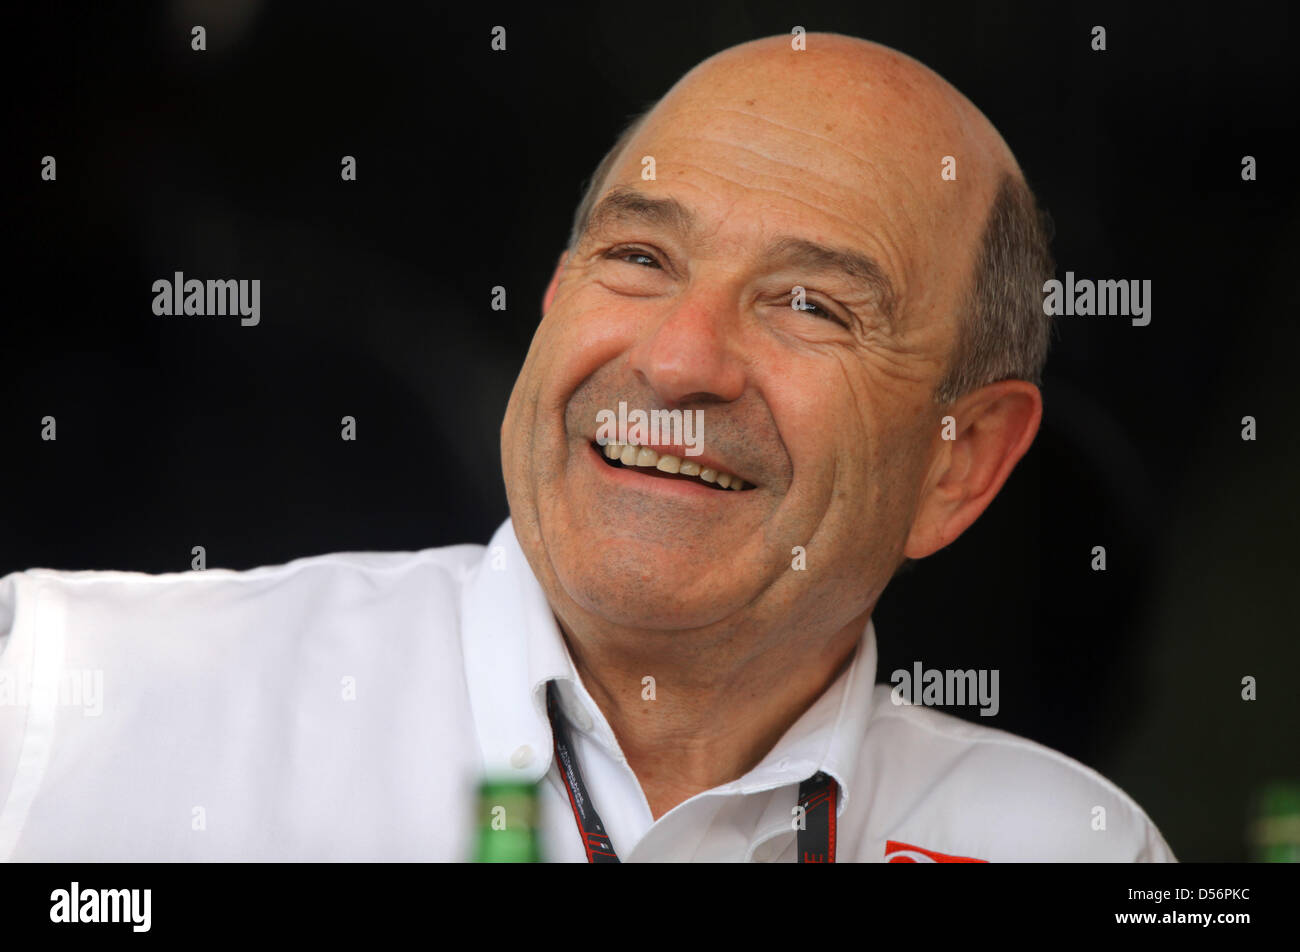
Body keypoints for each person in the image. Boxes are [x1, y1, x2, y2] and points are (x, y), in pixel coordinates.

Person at [0, 32, 1173, 862]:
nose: (677, 361)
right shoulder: (77, 700)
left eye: (811, 304)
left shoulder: (1078, 848)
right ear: (557, 299)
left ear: (958, 461)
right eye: (641, 259)